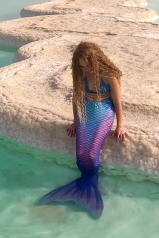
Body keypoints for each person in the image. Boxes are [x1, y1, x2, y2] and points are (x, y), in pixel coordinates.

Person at [40, 41, 128, 218]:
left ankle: (89, 184)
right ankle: (84, 183)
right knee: (81, 153)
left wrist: (120, 125)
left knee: (91, 153)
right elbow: (76, 98)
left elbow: (118, 103)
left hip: (104, 110)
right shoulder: (80, 74)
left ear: (96, 62)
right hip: (86, 109)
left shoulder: (110, 76)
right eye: (81, 66)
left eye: (87, 66)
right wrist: (74, 122)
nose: (85, 69)